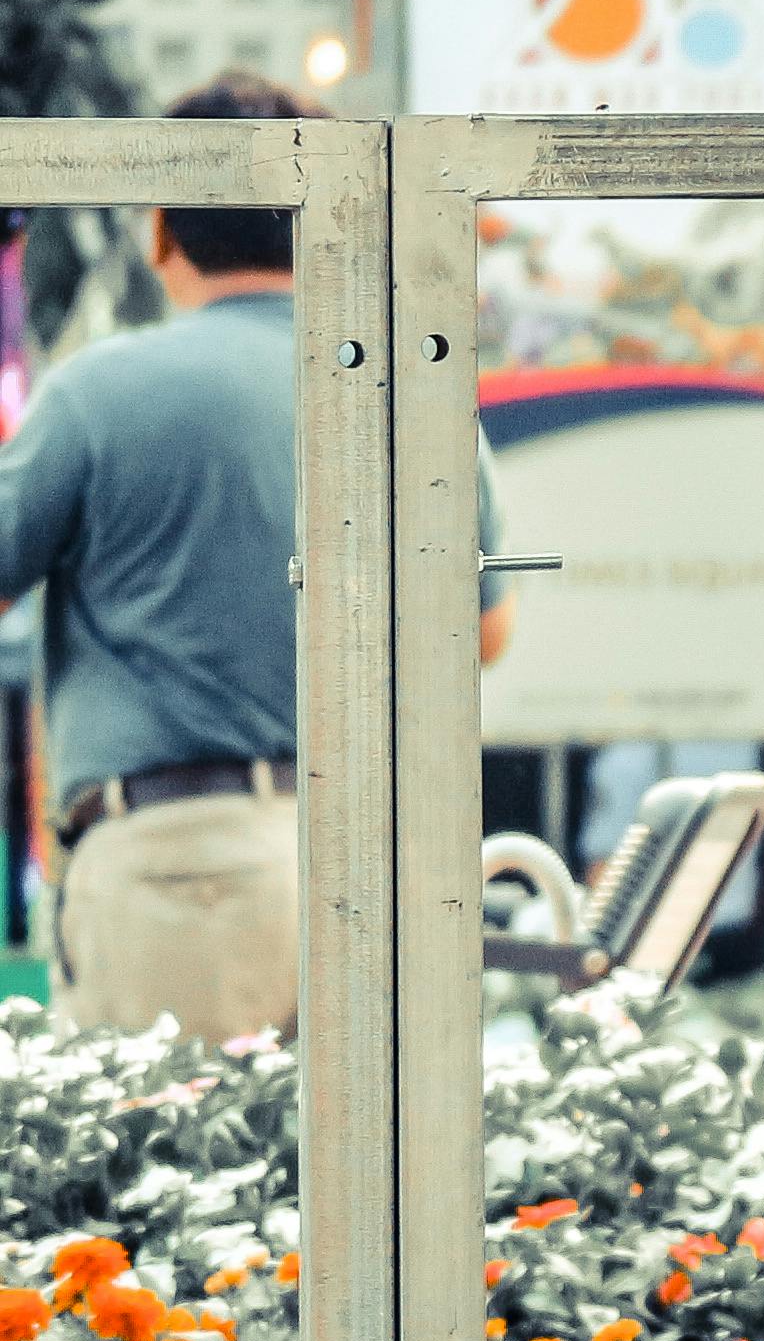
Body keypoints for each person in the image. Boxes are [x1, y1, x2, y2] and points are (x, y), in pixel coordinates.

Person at [0, 75, 510, 1042]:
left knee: (171, 1179)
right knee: (339, 1195)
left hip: (174, 873)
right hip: (368, 859)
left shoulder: (98, 394)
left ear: (161, 231)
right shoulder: (408, 383)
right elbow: (484, 631)